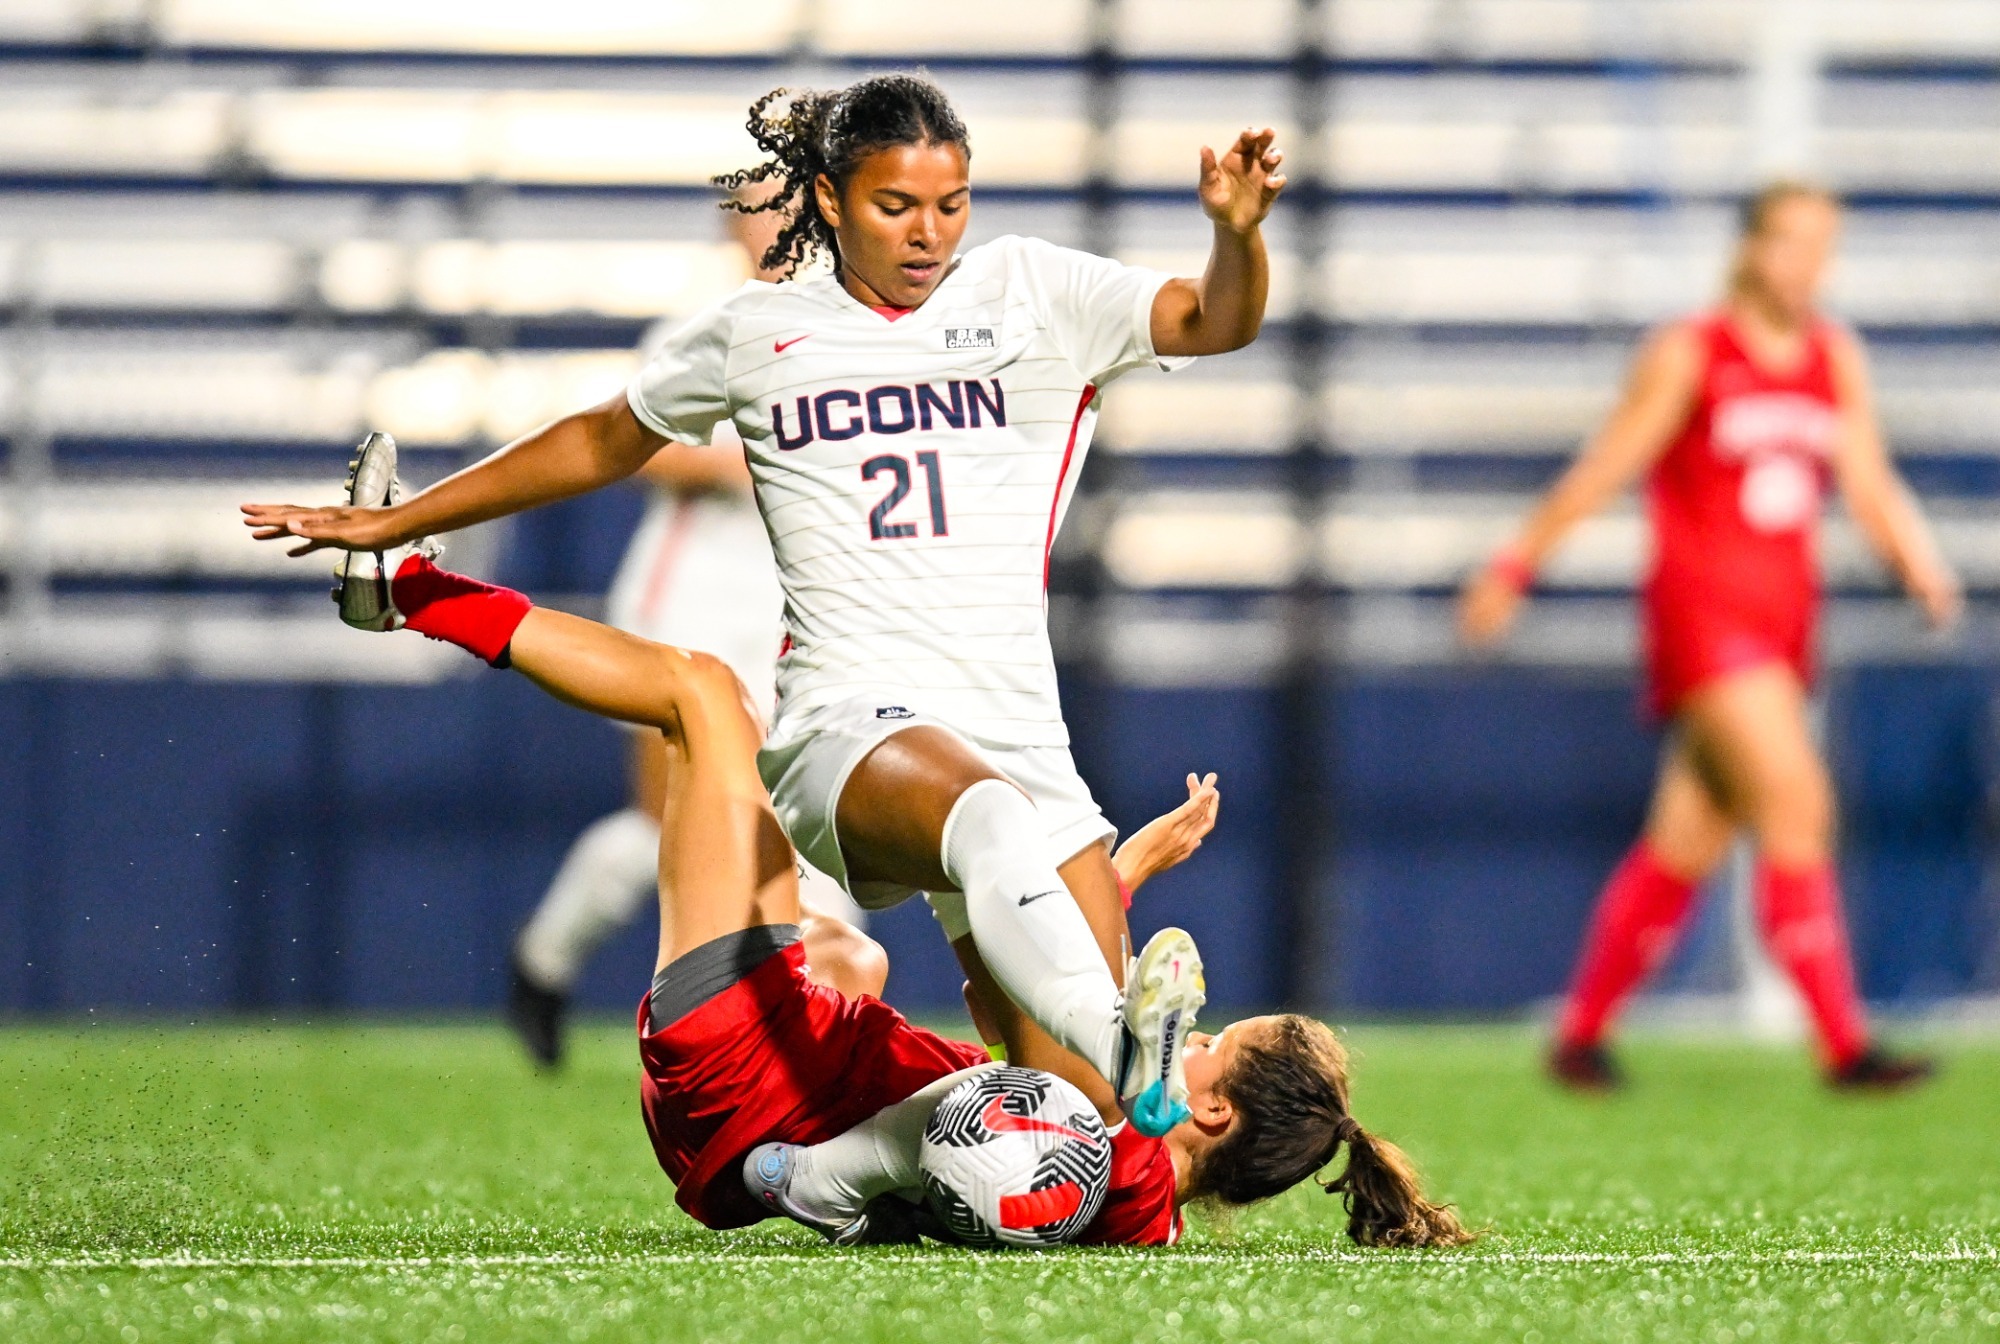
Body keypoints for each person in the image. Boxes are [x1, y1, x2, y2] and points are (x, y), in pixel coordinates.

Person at [245, 72, 1286, 1134]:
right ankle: (1119, 1037)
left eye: (951, 203)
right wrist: (404, 517)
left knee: (1087, 1131)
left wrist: (1237, 236)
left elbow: (1217, 319)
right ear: (830, 201)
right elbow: (602, 437)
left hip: (1021, 738)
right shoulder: (758, 331)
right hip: (852, 731)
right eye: (895, 206)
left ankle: (918, 1155)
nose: (928, 233)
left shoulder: (1034, 293)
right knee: (987, 828)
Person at [298, 468, 1469, 1247]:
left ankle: (402, 588)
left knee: (700, 696)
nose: (1189, 1035)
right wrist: (1104, 883)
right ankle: (408, 589)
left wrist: (1103, 881)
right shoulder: (1128, 1192)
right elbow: (1006, 1005)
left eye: (1208, 1045)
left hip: (746, 1070)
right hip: (779, 1066)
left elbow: (1006, 1001)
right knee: (845, 926)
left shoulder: (1122, 1161)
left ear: (1205, 1116)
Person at [1458, 182, 1960, 1091]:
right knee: (1799, 803)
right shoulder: (1692, 352)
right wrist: (1517, 563)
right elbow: (1612, 460)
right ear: (1753, 249)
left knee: (1687, 838)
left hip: (1780, 631)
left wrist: (1917, 562)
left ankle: (1579, 1036)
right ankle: (1845, 1047)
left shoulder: (1832, 356)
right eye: (1794, 243)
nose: (1810, 265)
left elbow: (1869, 480)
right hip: (1706, 624)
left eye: (1824, 247)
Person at [506, 185, 877, 1068]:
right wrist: (754, 460)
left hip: (800, 617)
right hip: (691, 607)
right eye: (754, 209)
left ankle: (816, 1032)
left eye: (785, 207)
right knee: (667, 826)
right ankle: (554, 964)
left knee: (805, 825)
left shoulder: (859, 329)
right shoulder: (697, 324)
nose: (773, 226)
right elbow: (635, 446)